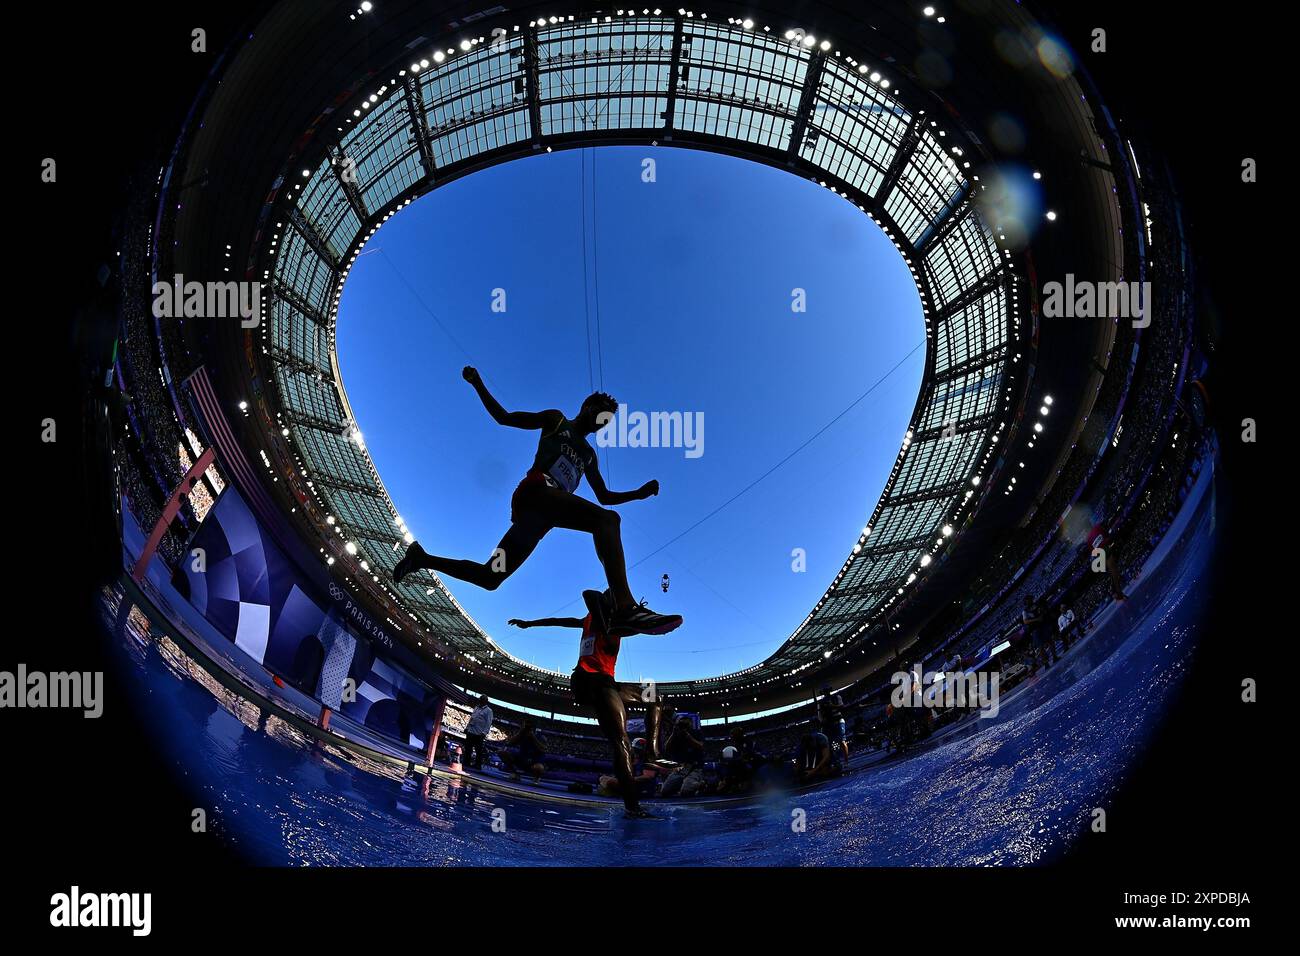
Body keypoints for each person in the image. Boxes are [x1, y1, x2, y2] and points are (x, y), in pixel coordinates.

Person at [393, 367, 681, 637]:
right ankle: (624, 606)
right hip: (537, 491)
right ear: (586, 406)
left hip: (542, 518)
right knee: (607, 520)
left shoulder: (590, 456)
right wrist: (477, 383)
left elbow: (604, 495)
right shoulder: (556, 421)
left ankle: (423, 558)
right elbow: (504, 418)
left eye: (607, 419)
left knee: (490, 577)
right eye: (600, 412)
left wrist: (638, 494)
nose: (602, 420)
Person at [507, 591, 665, 818]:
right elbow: (586, 597)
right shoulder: (592, 617)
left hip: (607, 682)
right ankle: (633, 808)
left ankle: (651, 751)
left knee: (654, 699)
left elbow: (641, 626)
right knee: (622, 743)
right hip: (586, 680)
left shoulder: (620, 623)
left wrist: (648, 619)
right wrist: (530, 624)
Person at [659, 714, 707, 797]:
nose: (683, 726)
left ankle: (701, 784)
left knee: (686, 792)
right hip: (680, 768)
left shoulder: (697, 733)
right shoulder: (675, 735)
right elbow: (666, 748)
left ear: (690, 724)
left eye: (686, 724)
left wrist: (687, 736)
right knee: (664, 792)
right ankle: (683, 783)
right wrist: (673, 733)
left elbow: (701, 746)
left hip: (695, 767)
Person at [499, 717, 546, 782]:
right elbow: (509, 743)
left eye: (529, 727)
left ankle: (536, 778)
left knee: (539, 767)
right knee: (502, 752)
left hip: (533, 762)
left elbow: (543, 749)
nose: (527, 728)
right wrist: (520, 733)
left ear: (533, 728)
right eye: (526, 726)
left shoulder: (540, 737)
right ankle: (514, 773)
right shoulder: (521, 735)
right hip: (521, 759)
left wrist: (533, 737)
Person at [463, 695, 493, 770]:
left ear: (485, 701)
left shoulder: (488, 711)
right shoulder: (476, 708)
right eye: (480, 699)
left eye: (481, 699)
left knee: (478, 750)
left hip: (479, 733)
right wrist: (467, 728)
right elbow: (472, 718)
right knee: (468, 748)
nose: (480, 700)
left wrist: (484, 733)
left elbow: (488, 723)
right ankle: (466, 762)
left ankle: (477, 765)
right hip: (471, 731)